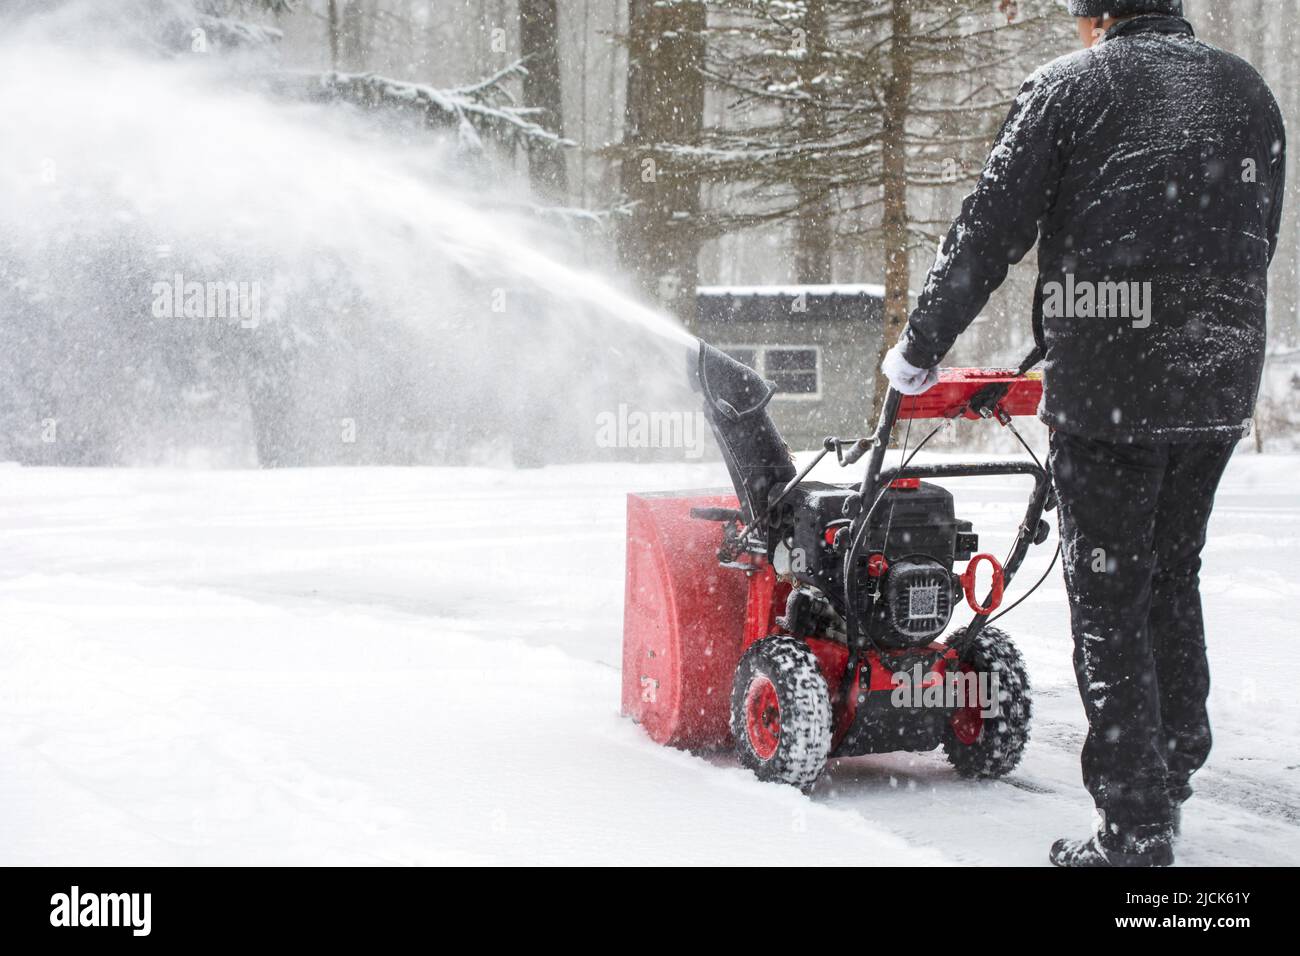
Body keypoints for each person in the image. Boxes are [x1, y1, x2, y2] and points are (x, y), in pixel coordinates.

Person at [881, 0, 1287, 867]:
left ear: (1099, 17)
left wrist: (918, 349)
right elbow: (1260, 236)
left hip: (1113, 389)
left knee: (1108, 593)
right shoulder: (1246, 90)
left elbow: (987, 231)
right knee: (1172, 573)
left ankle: (1134, 828)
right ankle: (1172, 758)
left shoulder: (1070, 88)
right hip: (1218, 379)